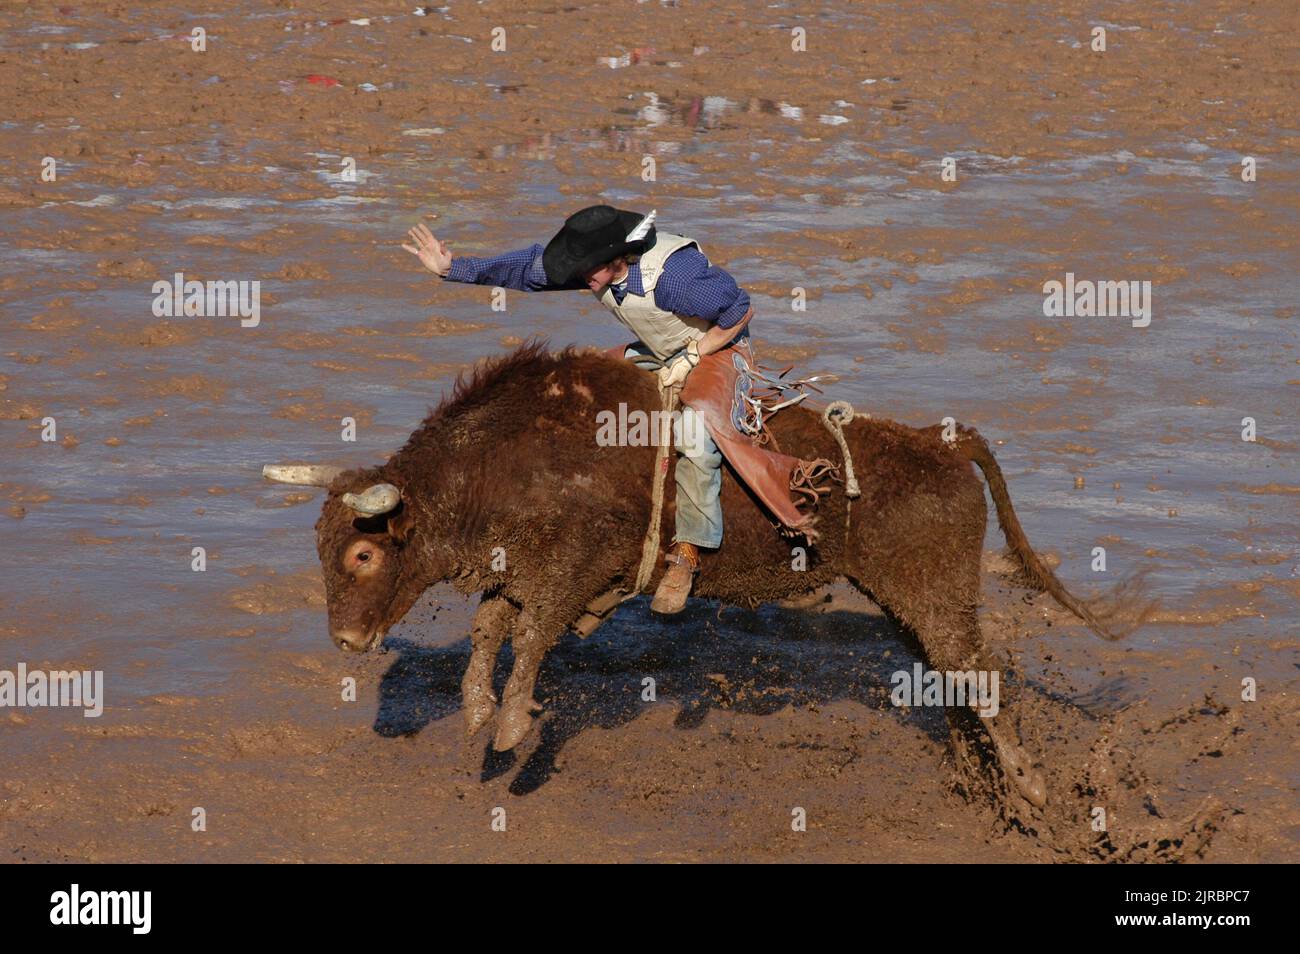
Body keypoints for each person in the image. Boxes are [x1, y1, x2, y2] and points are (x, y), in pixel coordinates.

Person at [404, 204, 815, 614]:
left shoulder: (676, 278)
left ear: (618, 259)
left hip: (719, 350)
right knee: (580, 384)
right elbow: (529, 271)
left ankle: (688, 553)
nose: (580, 276)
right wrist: (452, 268)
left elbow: (740, 310)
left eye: (587, 268)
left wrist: (693, 354)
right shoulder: (595, 267)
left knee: (696, 438)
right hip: (659, 351)